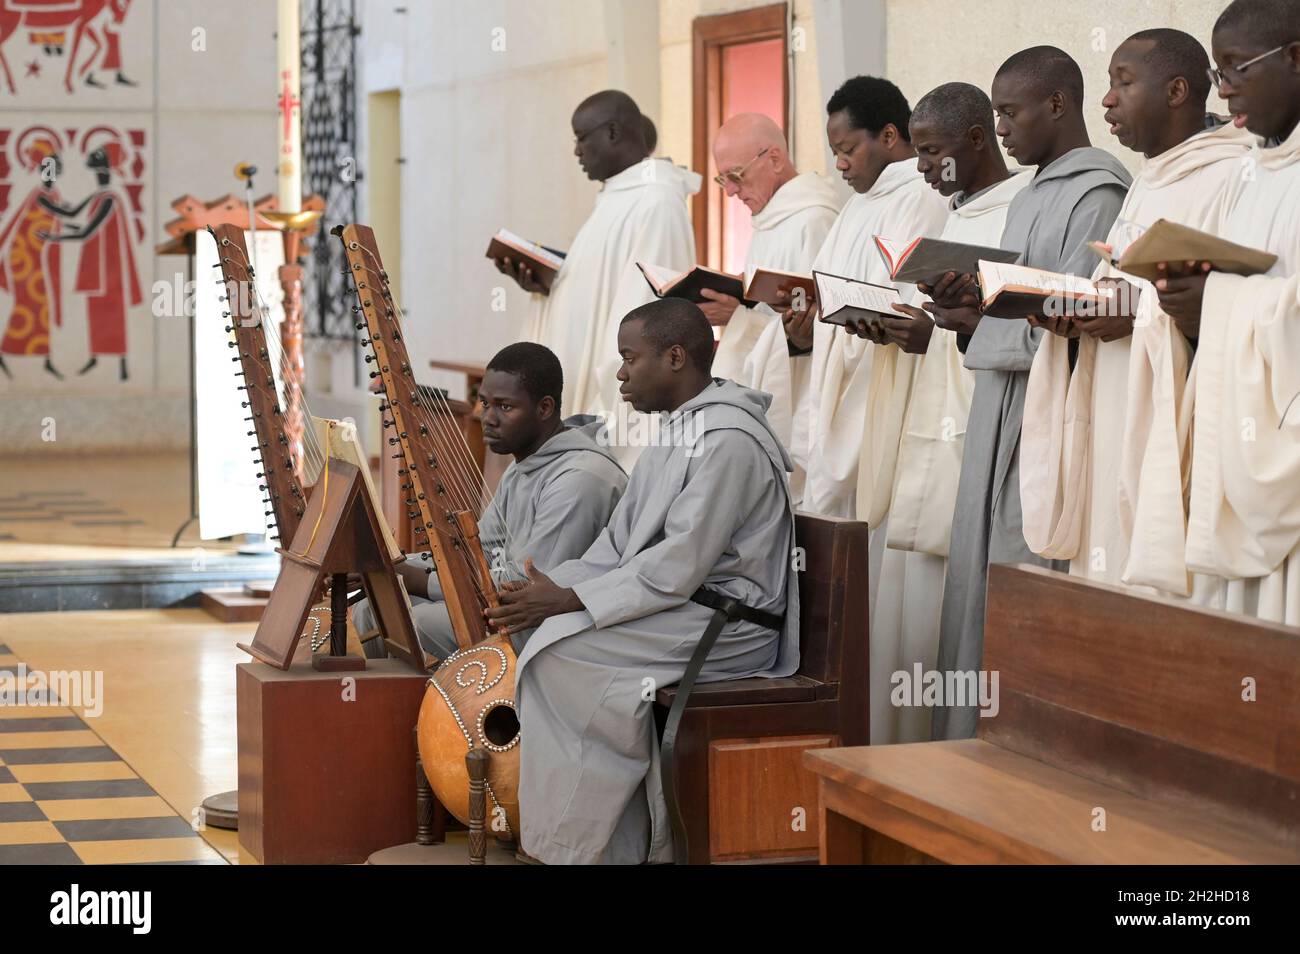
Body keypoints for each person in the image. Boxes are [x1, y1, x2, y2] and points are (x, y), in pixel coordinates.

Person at [490, 298, 798, 864]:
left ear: (675, 356)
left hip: (729, 624)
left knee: (560, 659)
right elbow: (620, 543)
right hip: (682, 606)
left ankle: (581, 846)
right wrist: (552, 591)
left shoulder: (725, 439)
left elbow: (678, 563)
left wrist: (572, 599)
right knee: (544, 642)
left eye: (630, 358)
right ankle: (602, 842)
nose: (620, 373)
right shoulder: (680, 429)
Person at [932, 47, 1131, 741]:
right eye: (995, 113)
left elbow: (1067, 322)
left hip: (1044, 417)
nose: (1002, 128)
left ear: (1057, 105)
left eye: (1010, 112)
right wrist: (967, 314)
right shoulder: (1033, 192)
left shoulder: (1098, 192)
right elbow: (1016, 309)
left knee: (1021, 572)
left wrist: (989, 319)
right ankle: (962, 752)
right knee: (977, 580)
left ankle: (1015, 753)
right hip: (998, 409)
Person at [1020, 29, 1251, 596]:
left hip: (1172, 431)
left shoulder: (1232, 175)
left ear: (1176, 91)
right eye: (1108, 85)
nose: (1106, 101)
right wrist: (1071, 322)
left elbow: (1232, 311)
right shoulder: (1149, 180)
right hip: (1113, 412)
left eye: (1122, 83)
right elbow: (1126, 287)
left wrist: (1139, 316)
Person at [848, 82, 1031, 743]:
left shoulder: (1020, 209)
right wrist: (903, 326)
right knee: (907, 615)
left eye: (932, 152)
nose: (923, 168)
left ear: (976, 140)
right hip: (924, 419)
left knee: (946, 596)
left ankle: (945, 756)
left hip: (968, 432)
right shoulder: (960, 210)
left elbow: (1016, 330)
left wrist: (941, 332)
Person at [1155, 0, 1300, 624]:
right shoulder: (1250, 172)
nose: (1225, 88)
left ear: (1295, 58)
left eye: (1237, 68)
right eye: (1219, 71)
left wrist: (1222, 302)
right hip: (1241, 447)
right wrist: (1194, 304)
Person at [352, 342, 626, 658]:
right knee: (374, 607)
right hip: (505, 606)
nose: (487, 418)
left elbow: (532, 587)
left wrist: (423, 582)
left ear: (545, 408)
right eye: (484, 403)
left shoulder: (580, 479)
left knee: (412, 621)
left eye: (504, 407)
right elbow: (480, 551)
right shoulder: (525, 463)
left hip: (549, 626)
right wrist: (395, 565)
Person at [498, 90, 698, 420]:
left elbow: (645, 315)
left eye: (581, 138)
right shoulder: (616, 198)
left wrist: (605, 410)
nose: (576, 151)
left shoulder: (657, 202)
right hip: (579, 388)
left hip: (610, 407)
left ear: (613, 132)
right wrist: (548, 287)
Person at [702, 112, 840, 498]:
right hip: (771, 382)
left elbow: (818, 327)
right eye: (722, 179)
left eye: (736, 176)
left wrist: (738, 318)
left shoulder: (813, 220)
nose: (729, 191)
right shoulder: (771, 219)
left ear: (774, 159)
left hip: (801, 393)